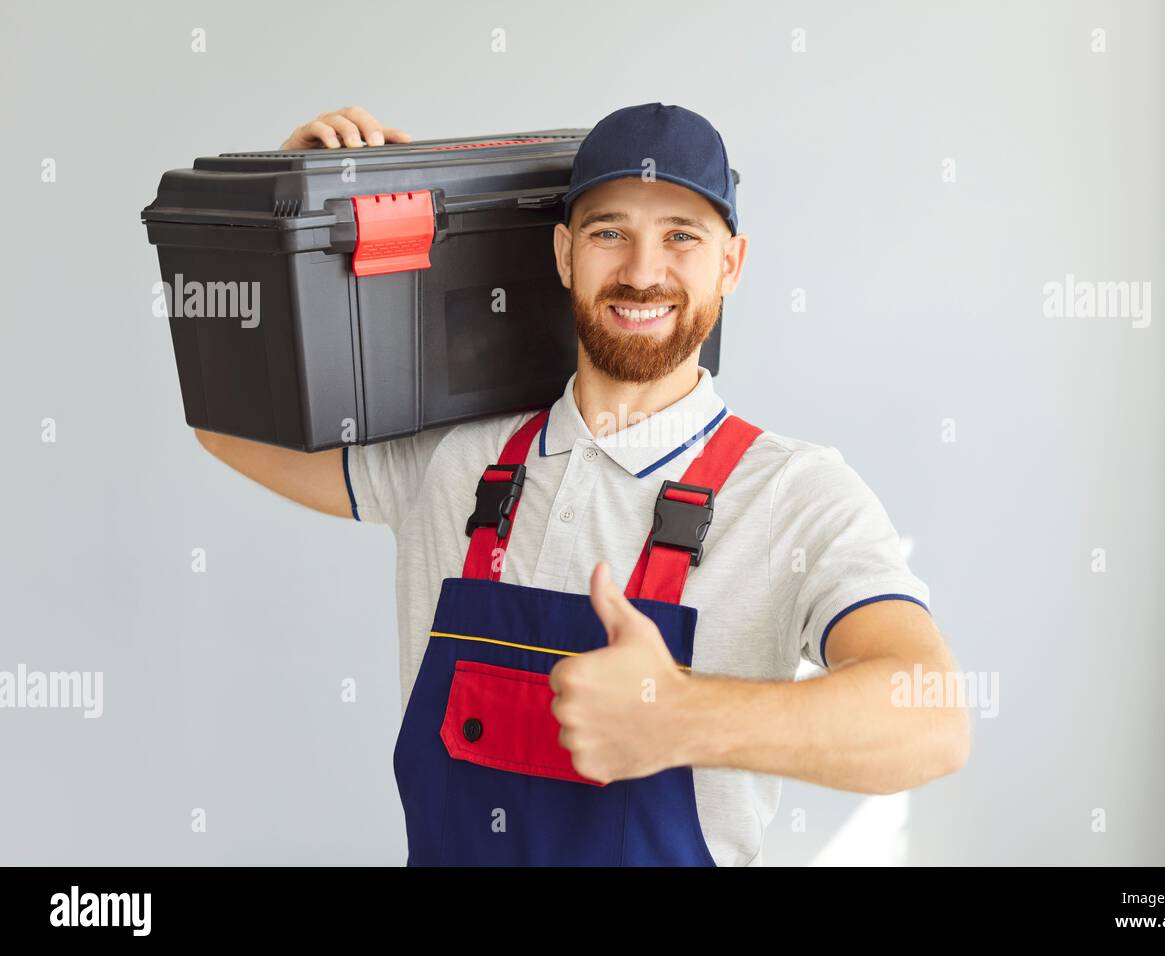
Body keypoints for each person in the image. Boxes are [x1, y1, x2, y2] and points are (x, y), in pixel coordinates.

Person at [197, 103, 970, 866]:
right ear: (565, 254)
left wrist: (682, 717)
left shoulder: (794, 496)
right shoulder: (457, 459)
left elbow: (931, 721)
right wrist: (279, 218)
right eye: (610, 233)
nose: (642, 272)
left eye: (681, 237)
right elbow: (223, 425)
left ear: (730, 264)